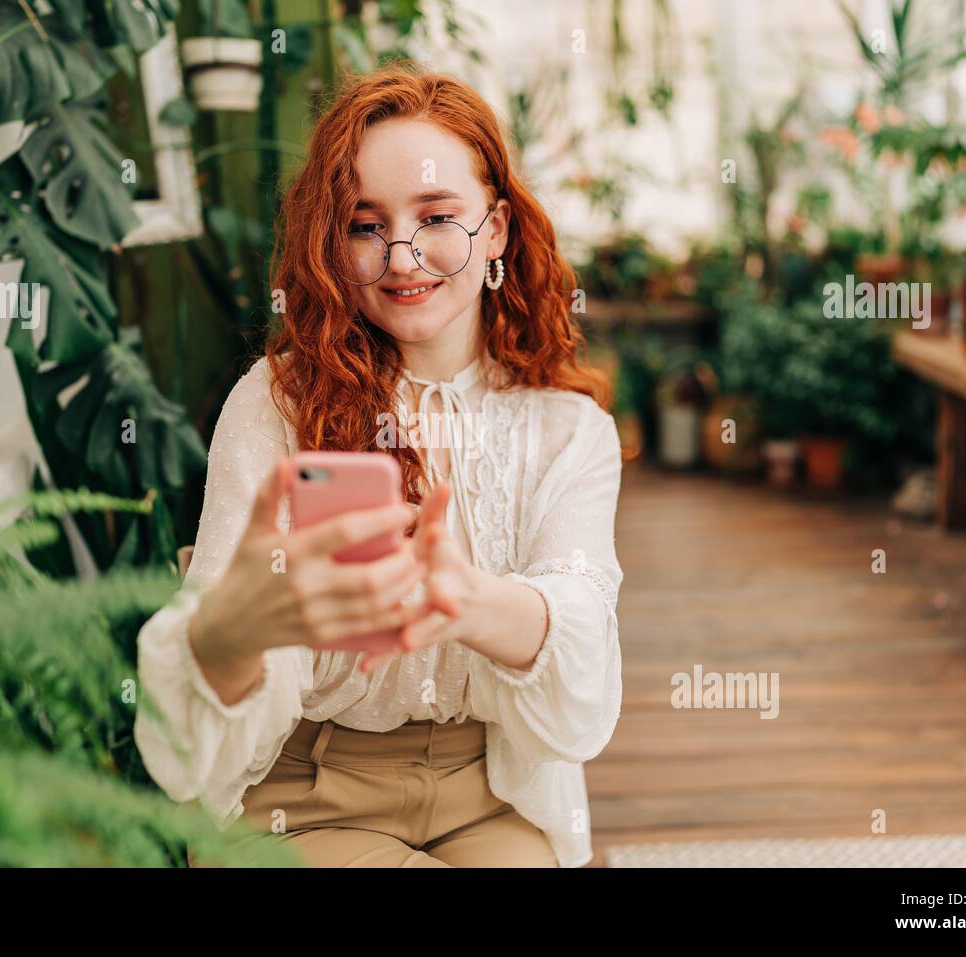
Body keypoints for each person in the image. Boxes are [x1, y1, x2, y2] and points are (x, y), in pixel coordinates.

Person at [135, 65, 624, 868]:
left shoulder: (568, 429)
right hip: (303, 795)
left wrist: (466, 597)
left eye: (437, 216)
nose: (402, 254)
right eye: (365, 226)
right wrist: (230, 630)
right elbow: (208, 668)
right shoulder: (276, 402)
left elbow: (580, 639)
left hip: (491, 789)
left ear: (496, 228)